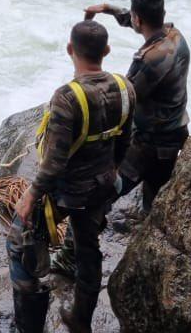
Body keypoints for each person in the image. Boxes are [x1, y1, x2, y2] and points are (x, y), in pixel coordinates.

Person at [8, 21, 134, 333]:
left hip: (68, 192)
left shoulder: (67, 97)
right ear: (107, 50)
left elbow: (54, 162)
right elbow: (125, 141)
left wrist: (30, 197)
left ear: (69, 50)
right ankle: (81, 320)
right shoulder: (124, 87)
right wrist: (111, 172)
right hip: (103, 186)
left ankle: (28, 325)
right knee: (88, 247)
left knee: (19, 242)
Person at [85, 0, 190, 211]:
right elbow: (139, 21)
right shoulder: (175, 35)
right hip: (176, 130)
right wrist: (107, 8)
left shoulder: (150, 59)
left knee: (109, 189)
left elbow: (124, 98)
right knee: (155, 192)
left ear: (138, 19)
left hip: (151, 142)